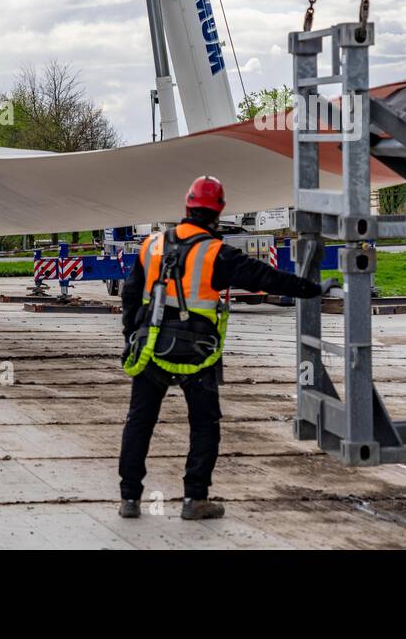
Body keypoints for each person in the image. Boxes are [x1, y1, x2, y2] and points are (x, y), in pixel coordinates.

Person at [117, 175, 327, 521]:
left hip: (151, 346)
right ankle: (194, 500)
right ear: (219, 212)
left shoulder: (151, 245)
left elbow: (129, 294)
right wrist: (312, 288)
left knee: (140, 421)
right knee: (204, 423)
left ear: (186, 207)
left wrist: (130, 339)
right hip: (197, 351)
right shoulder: (216, 253)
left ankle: (129, 499)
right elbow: (266, 279)